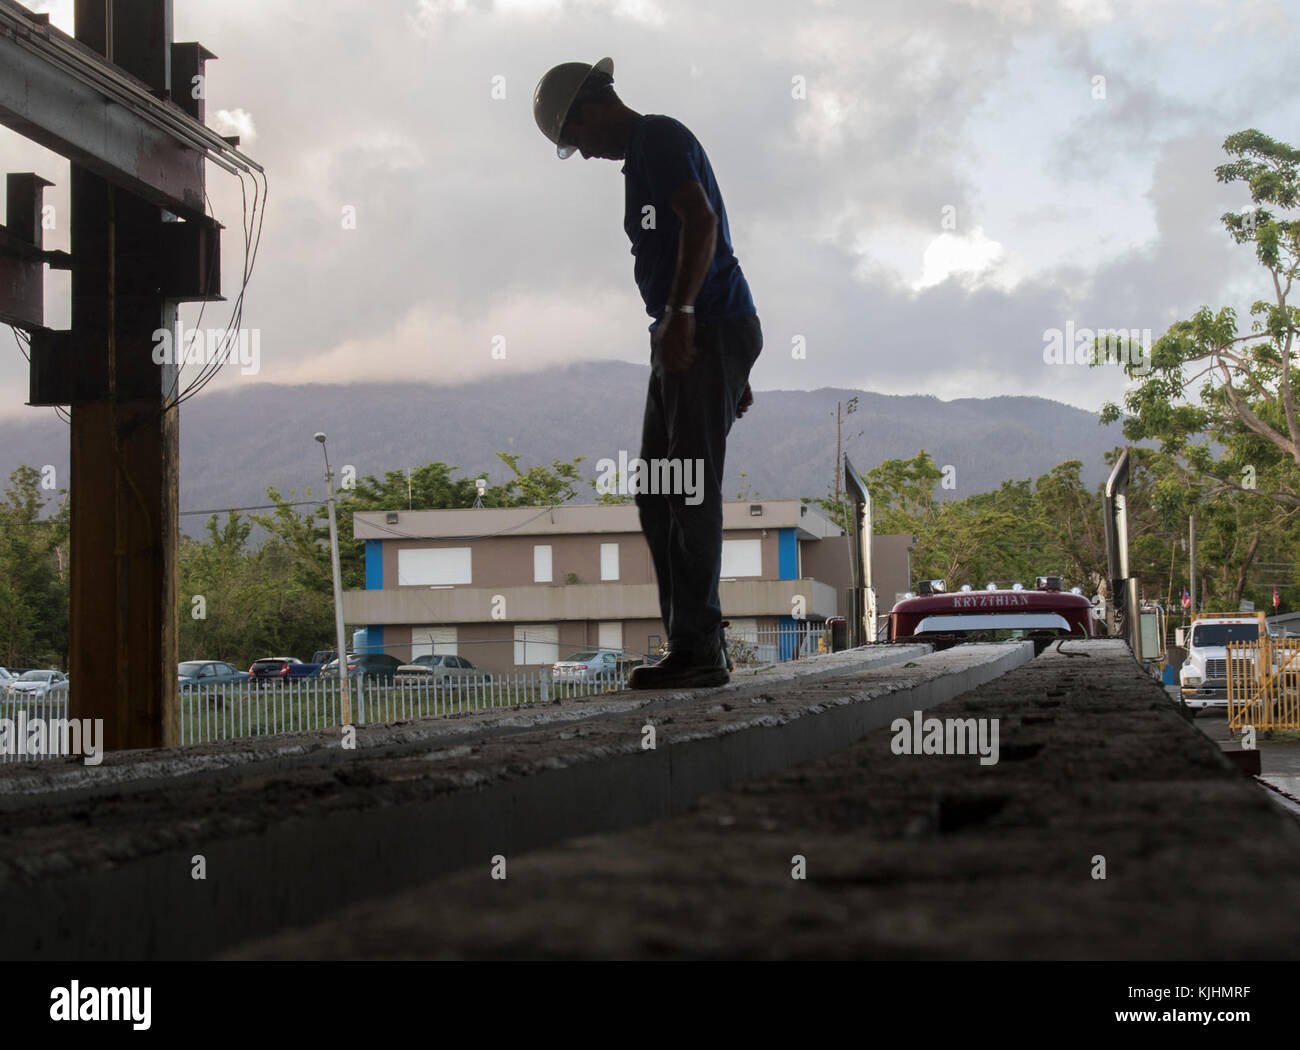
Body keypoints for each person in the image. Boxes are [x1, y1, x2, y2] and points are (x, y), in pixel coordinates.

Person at [533, 57, 761, 689]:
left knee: (684, 487)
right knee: (659, 488)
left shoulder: (657, 137)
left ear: (591, 109)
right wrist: (711, 348)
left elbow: (703, 222)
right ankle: (693, 643)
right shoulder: (644, 154)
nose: (581, 153)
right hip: (695, 335)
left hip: (701, 328)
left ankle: (701, 651)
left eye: (575, 139)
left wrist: (690, 317)